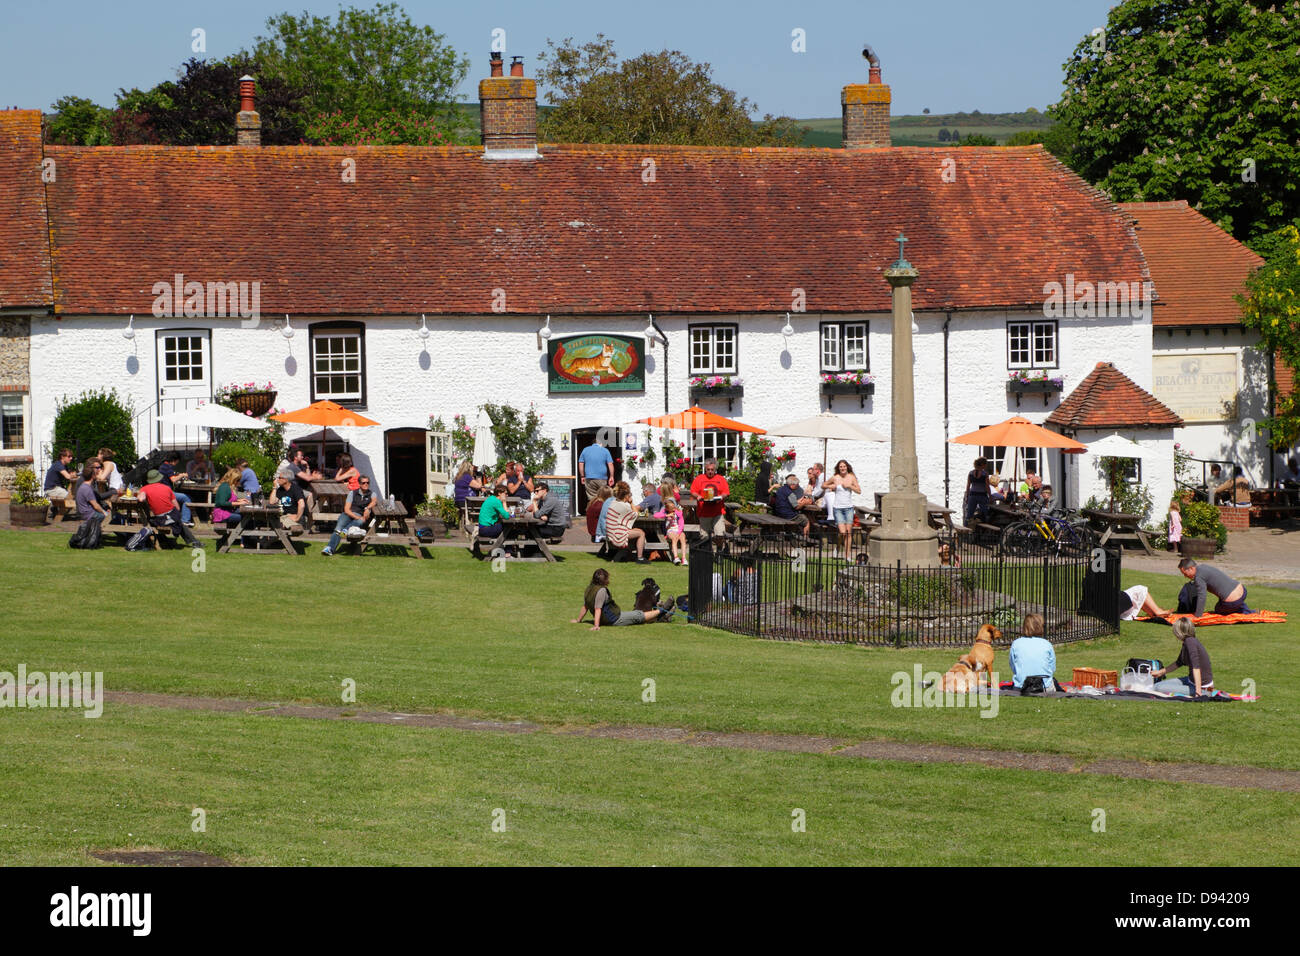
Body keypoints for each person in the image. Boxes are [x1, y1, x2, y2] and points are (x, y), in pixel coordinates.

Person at [573, 568, 673, 629]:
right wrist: (596, 626)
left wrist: (578, 620)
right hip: (613, 619)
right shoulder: (601, 591)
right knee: (637, 615)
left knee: (635, 617)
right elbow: (598, 609)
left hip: (611, 617)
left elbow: (585, 606)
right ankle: (663, 609)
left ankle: (663, 617)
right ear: (604, 580)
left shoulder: (589, 588)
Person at [137, 469, 200, 547]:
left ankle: (168, 540)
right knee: (178, 521)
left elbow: (140, 499)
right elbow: (177, 507)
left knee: (174, 522)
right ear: (159, 478)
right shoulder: (167, 488)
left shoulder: (145, 488)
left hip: (159, 519)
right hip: (171, 517)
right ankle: (194, 541)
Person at [1152, 617, 1214, 696]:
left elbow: (1196, 667)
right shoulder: (1187, 642)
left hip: (1203, 688)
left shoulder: (1190, 642)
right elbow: (1179, 663)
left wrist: (1198, 692)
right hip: (1190, 681)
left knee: (1159, 688)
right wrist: (1159, 673)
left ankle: (1199, 691)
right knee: (1156, 686)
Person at [1176, 558, 1254, 616]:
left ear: (1191, 568)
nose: (1185, 576)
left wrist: (1198, 615)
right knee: (1229, 601)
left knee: (1218, 609)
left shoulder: (1198, 577)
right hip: (1243, 591)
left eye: (1185, 573)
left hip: (1232, 601)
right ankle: (1243, 608)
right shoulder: (1204, 566)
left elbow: (1202, 596)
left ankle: (1247, 612)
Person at [322, 475, 377, 555]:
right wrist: (357, 517)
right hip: (349, 514)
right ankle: (330, 548)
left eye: (368, 482)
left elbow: (374, 502)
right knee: (338, 528)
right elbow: (347, 509)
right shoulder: (352, 493)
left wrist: (367, 508)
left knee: (360, 522)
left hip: (360, 516)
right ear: (359, 484)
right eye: (363, 482)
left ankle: (345, 530)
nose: (366, 484)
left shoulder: (372, 494)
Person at [1008, 613, 1057, 694]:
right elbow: (1052, 668)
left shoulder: (1016, 643)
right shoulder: (1047, 644)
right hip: (1044, 686)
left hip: (1021, 687)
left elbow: (1013, 665)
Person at [822, 459, 861, 561]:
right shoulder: (836, 477)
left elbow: (859, 491)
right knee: (843, 532)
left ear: (847, 467)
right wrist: (832, 486)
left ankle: (847, 556)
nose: (842, 468)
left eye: (844, 466)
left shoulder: (851, 477)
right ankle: (838, 547)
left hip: (848, 508)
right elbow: (823, 485)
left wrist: (850, 486)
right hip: (838, 508)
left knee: (848, 532)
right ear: (838, 468)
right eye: (840, 467)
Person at [605, 482, 649, 563]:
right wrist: (631, 502)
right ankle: (640, 558)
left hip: (611, 531)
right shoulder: (624, 506)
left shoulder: (615, 502)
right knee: (641, 533)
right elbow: (636, 514)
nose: (630, 496)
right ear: (626, 495)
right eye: (630, 494)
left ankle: (624, 556)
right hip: (616, 534)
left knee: (636, 530)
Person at [690, 458, 730, 541]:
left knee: (720, 534)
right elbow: (693, 491)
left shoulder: (721, 479)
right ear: (705, 469)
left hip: (718, 512)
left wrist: (721, 497)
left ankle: (719, 551)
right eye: (708, 469)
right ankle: (707, 553)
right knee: (704, 537)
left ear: (715, 469)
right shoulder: (699, 479)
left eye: (712, 469)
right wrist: (698, 496)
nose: (710, 471)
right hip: (704, 512)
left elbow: (726, 492)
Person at [157, 452, 194, 526]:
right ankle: (185, 520)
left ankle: (179, 517)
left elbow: (169, 477)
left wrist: (178, 475)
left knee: (180, 497)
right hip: (166, 493)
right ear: (174, 460)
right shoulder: (168, 467)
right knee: (187, 498)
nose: (177, 463)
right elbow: (173, 479)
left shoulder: (162, 466)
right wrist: (182, 475)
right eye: (177, 461)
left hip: (161, 492)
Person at [73, 462, 108, 530]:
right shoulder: (87, 488)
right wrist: (104, 513)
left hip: (84, 513)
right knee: (111, 518)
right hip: (89, 515)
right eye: (96, 474)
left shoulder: (83, 486)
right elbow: (96, 506)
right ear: (92, 476)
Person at [273, 467, 307, 534]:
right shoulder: (280, 489)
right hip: (285, 516)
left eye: (280, 478)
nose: (277, 480)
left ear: (285, 480)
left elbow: (302, 505)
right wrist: (274, 487)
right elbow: (272, 502)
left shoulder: (295, 489)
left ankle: (263, 543)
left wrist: (297, 518)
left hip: (297, 517)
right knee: (275, 522)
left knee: (277, 524)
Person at [658, 497, 688, 565]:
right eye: (672, 509)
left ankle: (684, 558)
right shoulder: (665, 512)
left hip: (678, 529)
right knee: (674, 538)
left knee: (683, 538)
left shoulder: (678, 513)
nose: (674, 510)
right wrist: (667, 515)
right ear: (667, 509)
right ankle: (676, 557)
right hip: (670, 530)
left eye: (674, 508)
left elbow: (681, 524)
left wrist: (679, 532)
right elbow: (656, 515)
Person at [965, 457, 993, 524]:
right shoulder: (985, 474)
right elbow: (987, 486)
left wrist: (967, 496)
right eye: (985, 464)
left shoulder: (971, 473)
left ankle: (965, 529)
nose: (986, 466)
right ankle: (985, 528)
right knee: (985, 513)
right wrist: (990, 496)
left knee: (969, 514)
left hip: (972, 495)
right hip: (982, 495)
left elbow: (968, 486)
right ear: (983, 464)